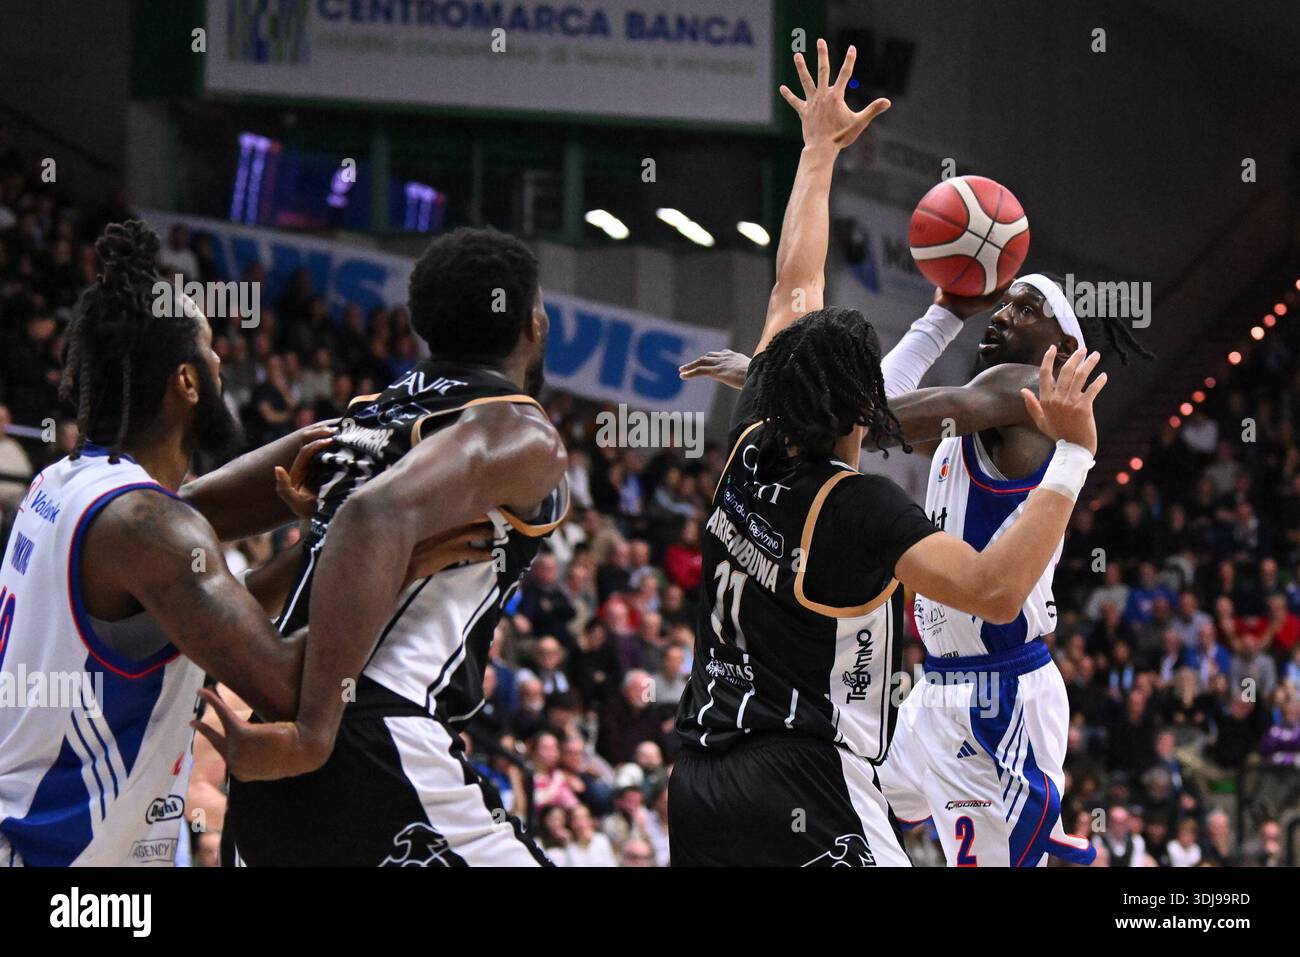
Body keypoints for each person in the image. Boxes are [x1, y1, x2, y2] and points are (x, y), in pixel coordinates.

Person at [666, 41, 1105, 868]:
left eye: (1021, 306)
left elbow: (799, 298)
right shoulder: (855, 501)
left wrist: (817, 155)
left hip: (967, 699)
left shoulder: (759, 438)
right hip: (878, 717)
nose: (1003, 315)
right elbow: (859, 385)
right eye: (1001, 304)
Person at [207, 227, 570, 867]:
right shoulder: (519, 431)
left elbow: (177, 519)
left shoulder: (360, 419)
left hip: (273, 752)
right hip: (371, 735)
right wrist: (315, 731)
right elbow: (373, 516)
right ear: (532, 324)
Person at [0, 221, 336, 866]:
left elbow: (203, 623)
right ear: (187, 381)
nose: (220, 364)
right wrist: (383, 544)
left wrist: (319, 530)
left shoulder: (66, 482)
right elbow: (284, 683)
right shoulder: (144, 526)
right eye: (210, 353)